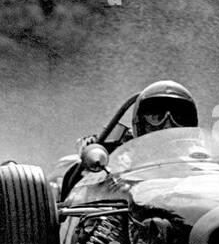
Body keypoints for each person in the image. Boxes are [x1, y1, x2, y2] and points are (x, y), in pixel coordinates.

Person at [60, 81, 198, 198]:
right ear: (140, 122)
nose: (168, 125)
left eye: (178, 118)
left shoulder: (201, 162)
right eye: (156, 117)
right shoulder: (120, 159)